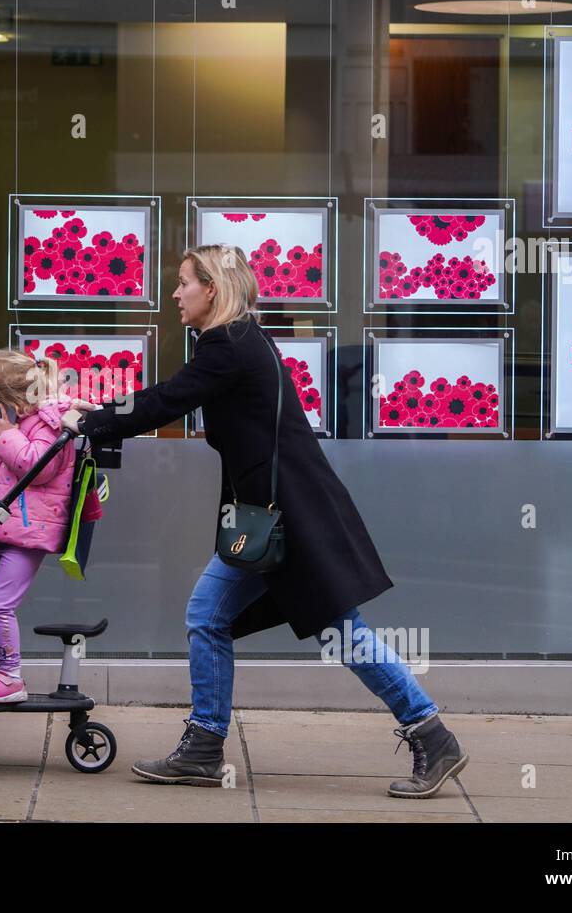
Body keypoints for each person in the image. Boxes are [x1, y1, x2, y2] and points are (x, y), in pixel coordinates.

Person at [65, 244, 468, 798]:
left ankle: (207, 746)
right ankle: (427, 733)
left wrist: (94, 421)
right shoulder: (242, 341)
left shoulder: (227, 346)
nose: (175, 294)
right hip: (280, 515)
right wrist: (101, 416)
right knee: (333, 629)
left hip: (281, 520)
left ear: (213, 288)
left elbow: (167, 401)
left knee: (243, 618)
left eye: (184, 283)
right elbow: (175, 400)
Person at [0, 349, 77, 703]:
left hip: (30, 531)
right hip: (7, 525)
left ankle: (11, 676)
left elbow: (38, 467)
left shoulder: (48, 421)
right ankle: (0, 669)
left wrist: (9, 433)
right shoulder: (22, 423)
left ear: (11, 398)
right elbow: (1, 469)